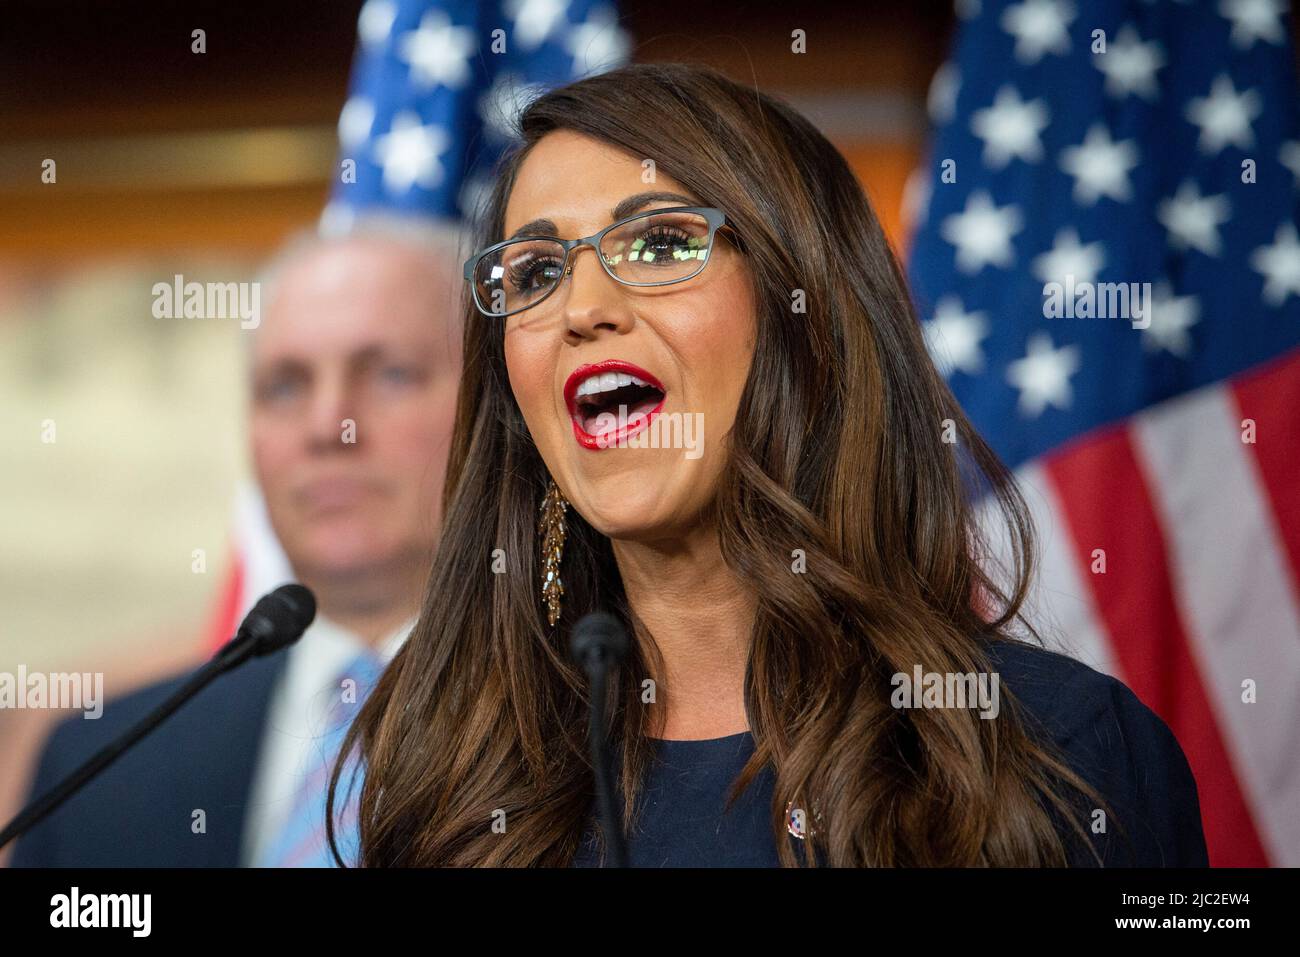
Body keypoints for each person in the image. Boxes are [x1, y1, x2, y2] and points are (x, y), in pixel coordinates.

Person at [330, 63, 1209, 867]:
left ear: (807, 315)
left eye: (662, 245)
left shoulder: (1059, 752)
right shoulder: (449, 782)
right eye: (534, 272)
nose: (582, 308)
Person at [10, 215, 462, 867]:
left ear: (493, 407)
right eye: (285, 385)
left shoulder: (601, 729)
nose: (327, 426)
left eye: (390, 373)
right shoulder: (95, 764)